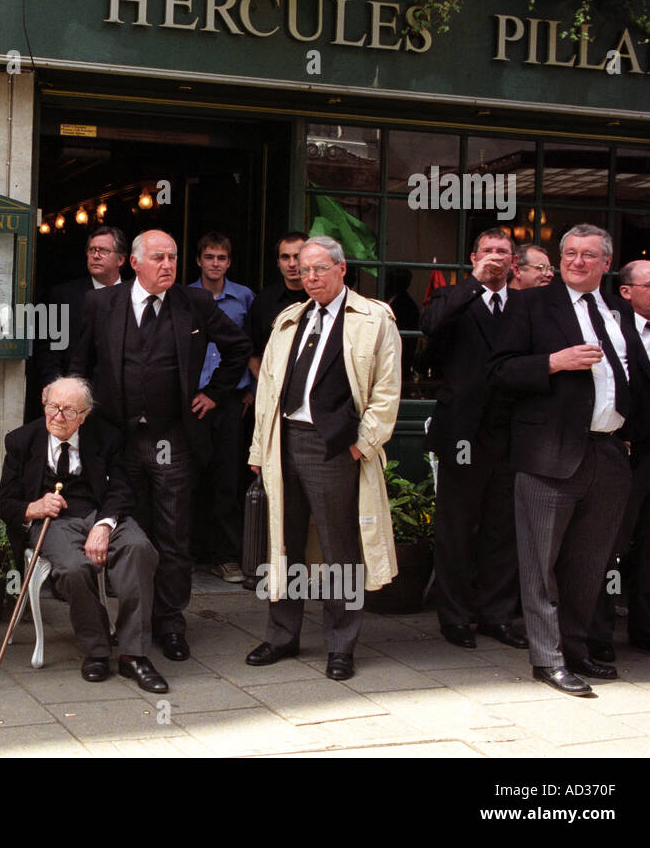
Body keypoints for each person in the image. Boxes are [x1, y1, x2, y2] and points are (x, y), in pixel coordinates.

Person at [489, 224, 650, 696]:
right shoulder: (529, 304)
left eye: (588, 255)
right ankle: (547, 659)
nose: (577, 262)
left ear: (607, 264)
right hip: (548, 453)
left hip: (608, 453)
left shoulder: (620, 311)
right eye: (569, 254)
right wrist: (553, 362)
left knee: (591, 561)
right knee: (541, 565)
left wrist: (634, 436)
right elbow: (498, 370)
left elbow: (640, 379)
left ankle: (577, 647)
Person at [69, 229, 251, 662]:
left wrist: (214, 393)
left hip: (172, 439)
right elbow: (79, 362)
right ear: (134, 263)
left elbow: (238, 347)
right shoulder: (101, 304)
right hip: (118, 439)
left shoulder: (194, 304)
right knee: (131, 534)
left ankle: (170, 623)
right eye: (158, 258)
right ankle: (133, 623)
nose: (168, 265)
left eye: (172, 257)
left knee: (173, 535)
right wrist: (80, 415)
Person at [245, 236, 401, 681]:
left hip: (334, 447)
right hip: (283, 441)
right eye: (301, 268)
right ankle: (282, 635)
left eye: (318, 269)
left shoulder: (373, 320)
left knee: (339, 550)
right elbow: (267, 393)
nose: (308, 276)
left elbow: (387, 394)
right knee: (284, 542)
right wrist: (260, 448)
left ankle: (340, 644)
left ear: (341, 268)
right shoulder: (290, 319)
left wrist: (361, 446)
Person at [0, 376, 165, 691]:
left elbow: (121, 489)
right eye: (53, 408)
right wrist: (34, 506)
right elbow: (5, 504)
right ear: (44, 405)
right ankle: (97, 649)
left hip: (101, 514)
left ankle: (134, 655)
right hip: (55, 522)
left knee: (138, 548)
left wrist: (103, 526)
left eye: (69, 411)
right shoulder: (21, 441)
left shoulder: (106, 437)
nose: (58, 417)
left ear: (84, 415)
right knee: (74, 568)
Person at [422, 229, 529, 649]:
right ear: (474, 257)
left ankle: (496, 616)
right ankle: (455, 617)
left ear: (514, 262)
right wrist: (473, 283)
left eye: (503, 252)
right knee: (456, 529)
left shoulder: (524, 304)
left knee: (503, 529)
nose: (496, 257)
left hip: (510, 431)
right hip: (461, 433)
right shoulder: (454, 297)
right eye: (488, 251)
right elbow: (430, 328)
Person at [588, 260, 650, 660]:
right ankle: (597, 632)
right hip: (629, 445)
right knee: (611, 541)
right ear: (626, 291)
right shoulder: (613, 329)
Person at [186, 232, 255, 585]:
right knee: (187, 477)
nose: (215, 263)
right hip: (192, 401)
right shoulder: (183, 297)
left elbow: (254, 349)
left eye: (221, 258)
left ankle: (225, 556)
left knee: (227, 478)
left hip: (229, 401)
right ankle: (185, 554)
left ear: (229, 262)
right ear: (199, 260)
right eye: (209, 257)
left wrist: (251, 392)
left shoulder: (244, 298)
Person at [35, 226, 127, 389]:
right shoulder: (63, 296)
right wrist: (53, 387)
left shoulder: (136, 296)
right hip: (76, 395)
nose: (96, 255)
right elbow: (50, 350)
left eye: (103, 251)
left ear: (121, 260)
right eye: (92, 250)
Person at [246, 232, 309, 382]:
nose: (292, 263)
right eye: (285, 257)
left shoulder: (321, 298)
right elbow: (252, 355)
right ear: (278, 262)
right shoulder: (264, 300)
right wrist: (269, 388)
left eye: (297, 256)